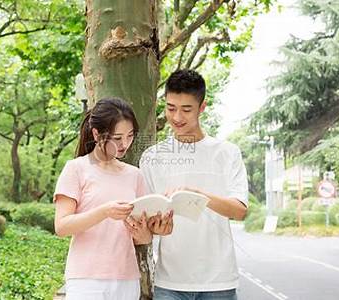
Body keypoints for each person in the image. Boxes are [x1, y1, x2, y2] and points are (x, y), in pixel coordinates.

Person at [140, 69, 249, 300]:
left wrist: (198, 195)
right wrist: (155, 226)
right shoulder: (152, 157)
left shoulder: (227, 153)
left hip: (218, 282)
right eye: (171, 108)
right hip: (169, 281)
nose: (177, 117)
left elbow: (240, 211)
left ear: (202, 107)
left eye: (186, 109)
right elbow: (146, 219)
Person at [54, 97, 152, 300]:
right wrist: (104, 212)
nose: (125, 144)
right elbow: (62, 226)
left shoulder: (135, 175)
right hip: (86, 279)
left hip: (127, 278)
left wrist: (145, 232)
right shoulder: (76, 169)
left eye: (130, 136)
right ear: (97, 134)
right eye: (117, 138)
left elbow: (144, 238)